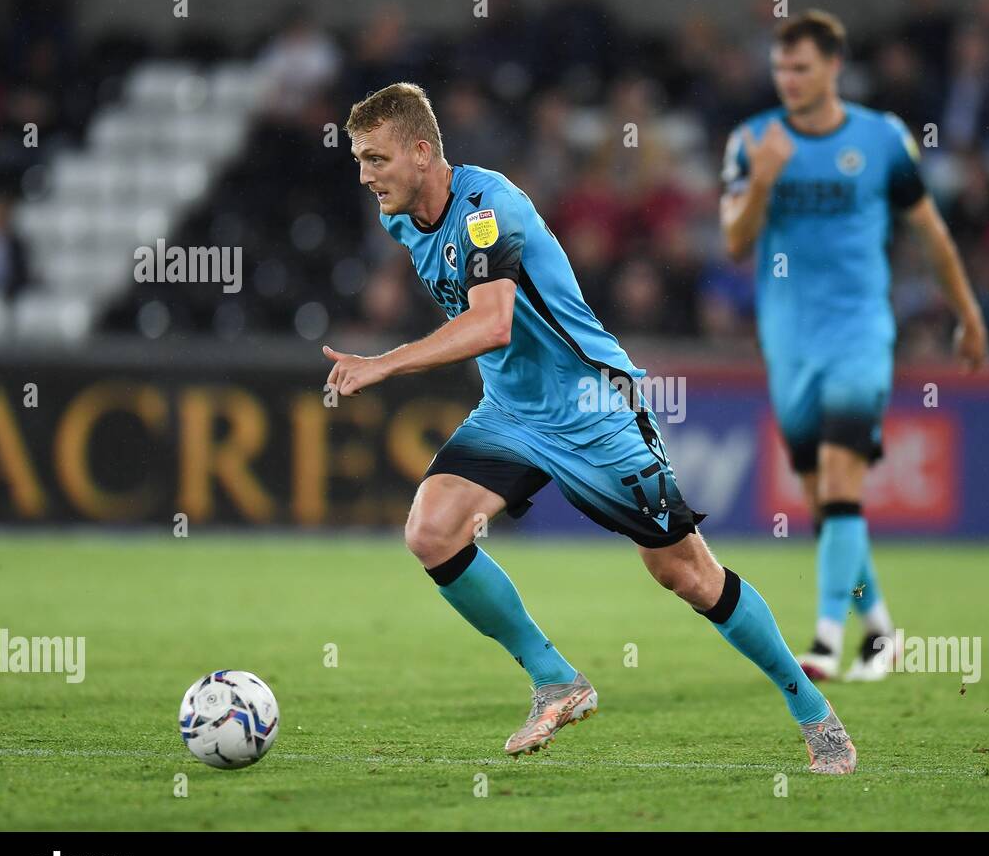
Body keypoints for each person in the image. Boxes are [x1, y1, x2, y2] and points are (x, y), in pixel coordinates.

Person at [324, 82, 857, 774]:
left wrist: (383, 363)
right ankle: (555, 677)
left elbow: (492, 321)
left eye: (376, 159)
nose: (365, 176)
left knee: (685, 573)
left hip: (593, 409)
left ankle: (815, 713)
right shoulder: (402, 219)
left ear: (422, 153)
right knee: (431, 529)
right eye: (359, 161)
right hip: (513, 410)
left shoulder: (489, 211)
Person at [719, 11, 987, 682]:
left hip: (860, 331)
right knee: (823, 501)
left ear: (835, 67)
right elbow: (733, 242)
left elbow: (931, 233)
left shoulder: (882, 139)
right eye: (781, 68)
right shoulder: (753, 141)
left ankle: (826, 638)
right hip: (788, 339)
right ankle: (882, 629)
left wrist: (968, 312)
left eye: (802, 67)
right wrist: (763, 181)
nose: (789, 80)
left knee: (841, 482)